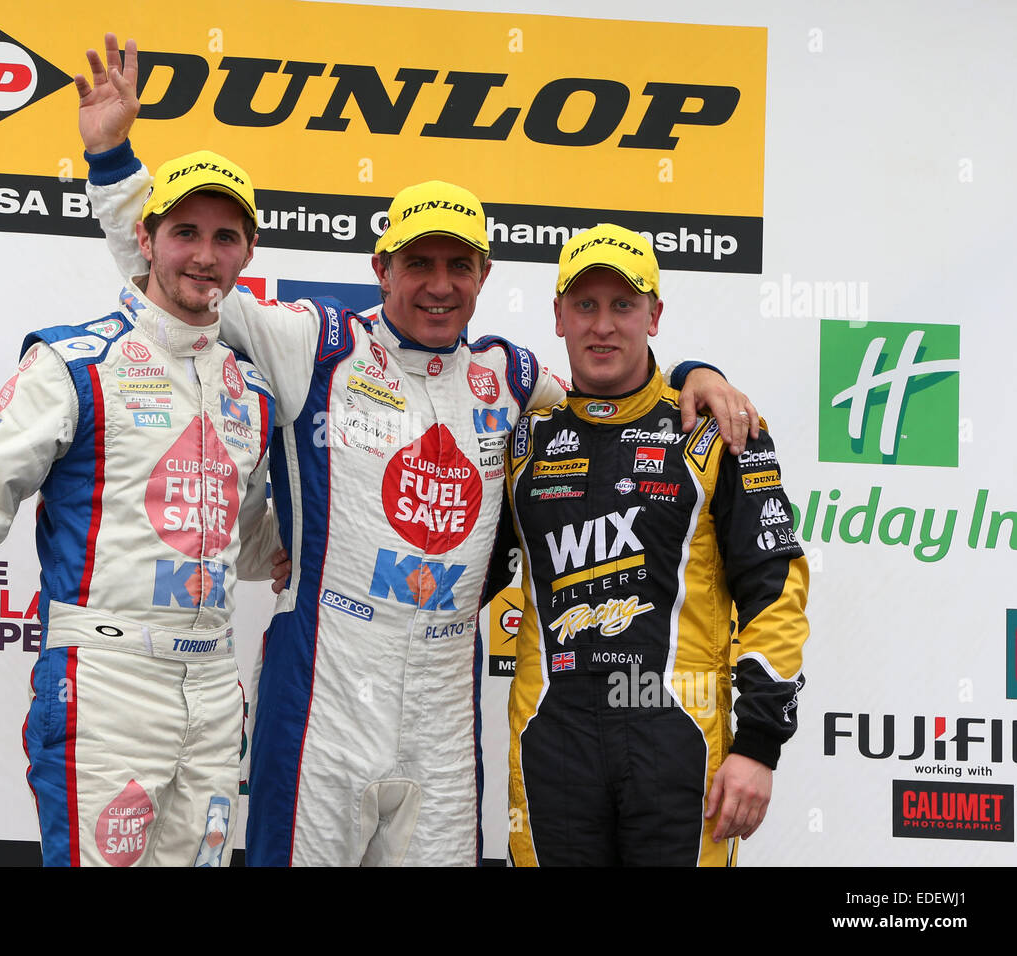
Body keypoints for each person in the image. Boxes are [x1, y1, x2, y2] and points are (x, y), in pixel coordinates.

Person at [77, 35, 760, 866]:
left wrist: (697, 372)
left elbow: (608, 389)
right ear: (380, 267)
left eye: (457, 265)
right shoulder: (315, 344)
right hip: (324, 691)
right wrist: (113, 156)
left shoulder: (507, 376)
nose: (438, 284)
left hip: (443, 706)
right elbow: (183, 284)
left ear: (483, 274)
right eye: (418, 263)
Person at [0, 136, 280, 866]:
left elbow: (247, 544)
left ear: (248, 252)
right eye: (184, 232)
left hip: (216, 693)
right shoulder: (74, 362)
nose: (204, 255)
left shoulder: (251, 390)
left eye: (225, 237)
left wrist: (324, 544)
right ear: (145, 238)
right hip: (106, 681)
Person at [493, 224, 809, 866]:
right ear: (558, 316)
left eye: (623, 305)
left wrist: (758, 745)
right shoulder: (521, 439)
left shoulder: (716, 429)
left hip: (677, 735)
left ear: (655, 315)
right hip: (551, 735)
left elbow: (775, 591)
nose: (603, 326)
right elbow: (458, 558)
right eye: (585, 305)